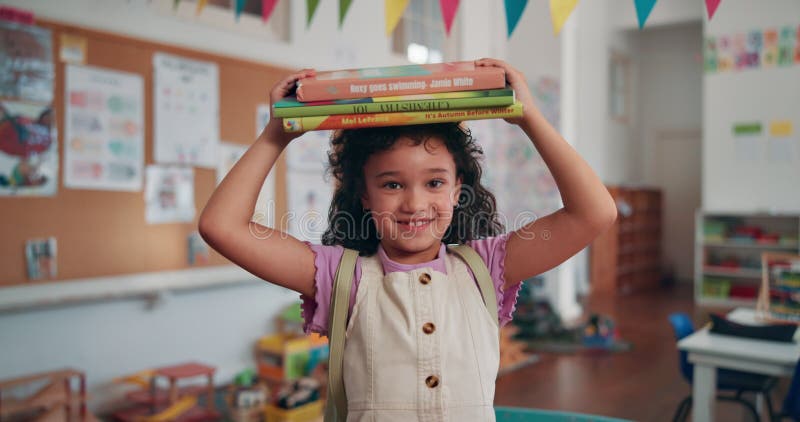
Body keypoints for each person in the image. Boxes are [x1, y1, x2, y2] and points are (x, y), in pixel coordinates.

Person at [199, 58, 617, 421]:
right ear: (364, 195)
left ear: (458, 189)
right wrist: (278, 133)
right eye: (392, 185)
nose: (415, 204)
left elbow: (594, 212)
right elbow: (223, 226)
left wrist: (530, 118)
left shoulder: (486, 266)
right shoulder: (338, 275)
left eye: (435, 182)